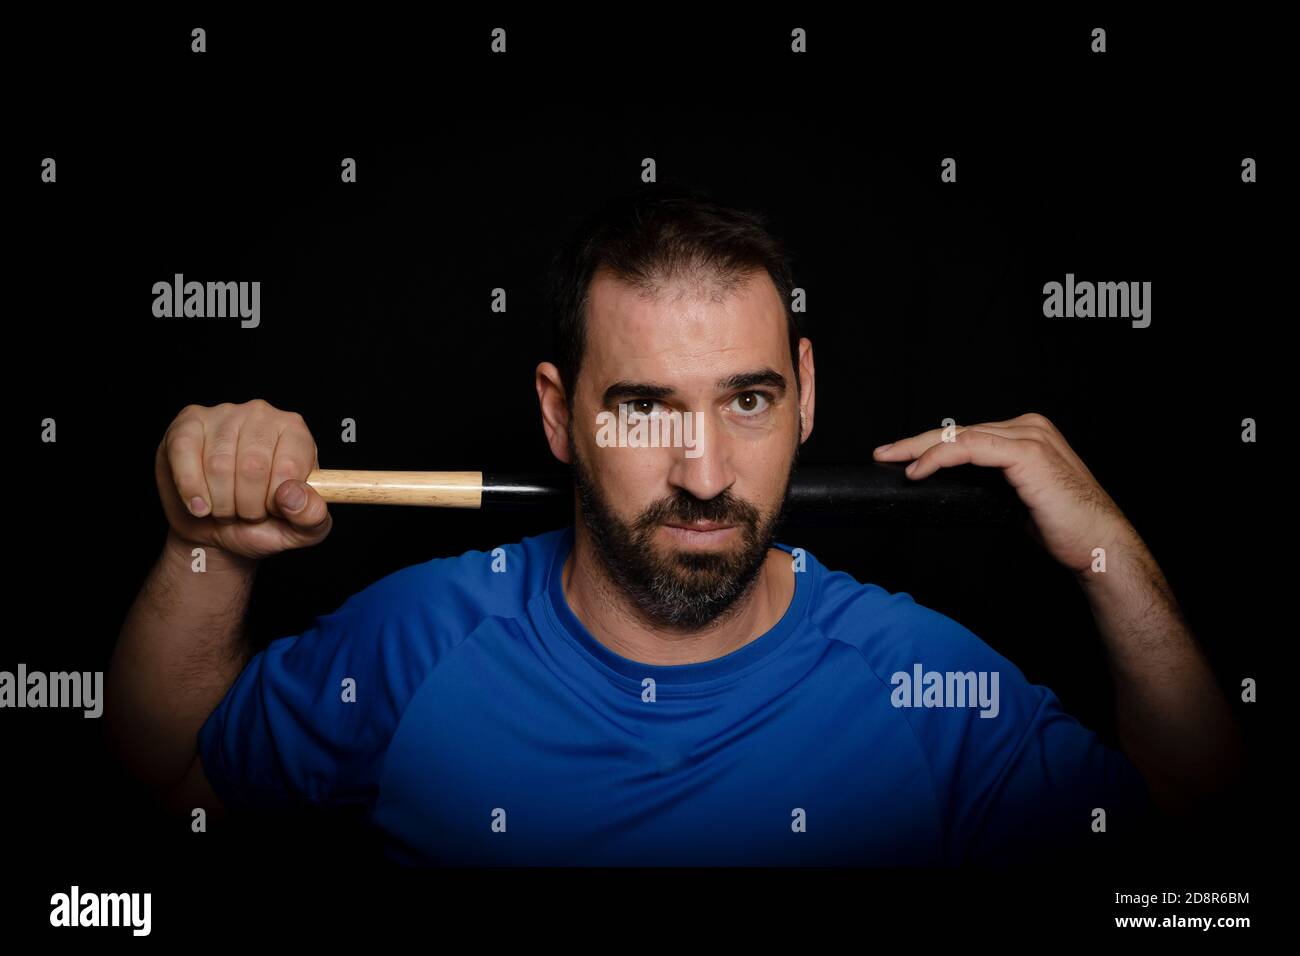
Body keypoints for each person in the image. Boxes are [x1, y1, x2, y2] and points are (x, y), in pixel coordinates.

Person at [107, 190, 1241, 865]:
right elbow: (168, 772)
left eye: (747, 400)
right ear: (558, 413)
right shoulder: (421, 641)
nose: (705, 475)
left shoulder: (918, 681)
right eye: (644, 407)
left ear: (805, 392)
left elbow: (1196, 863)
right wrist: (206, 545)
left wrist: (1106, 545)